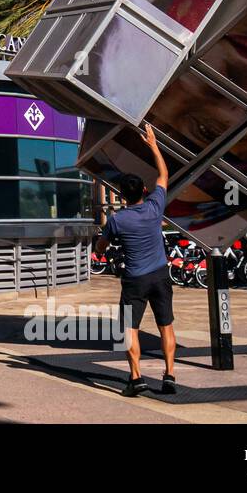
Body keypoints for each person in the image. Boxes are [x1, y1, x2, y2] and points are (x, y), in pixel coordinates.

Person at [93, 123, 177, 397]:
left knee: (130, 328)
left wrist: (103, 247)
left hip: (135, 281)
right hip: (160, 276)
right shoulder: (154, 207)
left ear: (121, 196)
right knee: (166, 326)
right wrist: (153, 144)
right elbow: (164, 174)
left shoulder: (117, 220)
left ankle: (136, 377)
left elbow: (100, 249)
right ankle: (170, 375)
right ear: (143, 191)